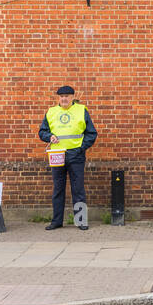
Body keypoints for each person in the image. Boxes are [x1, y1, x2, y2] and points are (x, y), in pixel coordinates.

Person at [39, 85, 98, 231]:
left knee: (78, 189)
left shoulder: (81, 110)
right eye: (61, 96)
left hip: (75, 155)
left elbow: (91, 133)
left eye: (67, 96)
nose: (64, 99)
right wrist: (49, 136)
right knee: (58, 189)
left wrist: (81, 148)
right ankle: (56, 221)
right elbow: (42, 132)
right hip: (57, 155)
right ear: (58, 98)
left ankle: (81, 221)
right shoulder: (51, 112)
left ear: (72, 97)